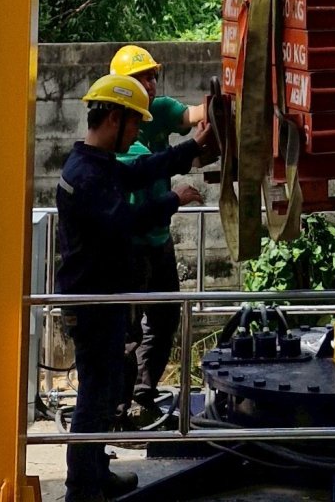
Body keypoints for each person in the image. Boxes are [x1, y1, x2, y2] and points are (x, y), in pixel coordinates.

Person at [56, 73, 213, 502]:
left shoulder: (94, 163)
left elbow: (140, 171)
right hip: (92, 303)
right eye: (133, 124)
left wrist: (192, 148)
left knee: (104, 392)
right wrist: (173, 200)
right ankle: (81, 490)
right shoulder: (87, 176)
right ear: (113, 118)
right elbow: (124, 221)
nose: (136, 133)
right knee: (94, 398)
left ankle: (95, 472)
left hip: (101, 297)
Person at [108, 44, 208, 420]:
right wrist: (191, 155)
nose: (150, 85)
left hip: (158, 238)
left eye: (152, 77)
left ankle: (143, 394)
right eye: (141, 79)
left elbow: (192, 115)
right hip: (129, 245)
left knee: (165, 318)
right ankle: (119, 408)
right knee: (128, 330)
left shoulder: (161, 109)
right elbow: (150, 165)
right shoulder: (118, 133)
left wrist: (221, 105)